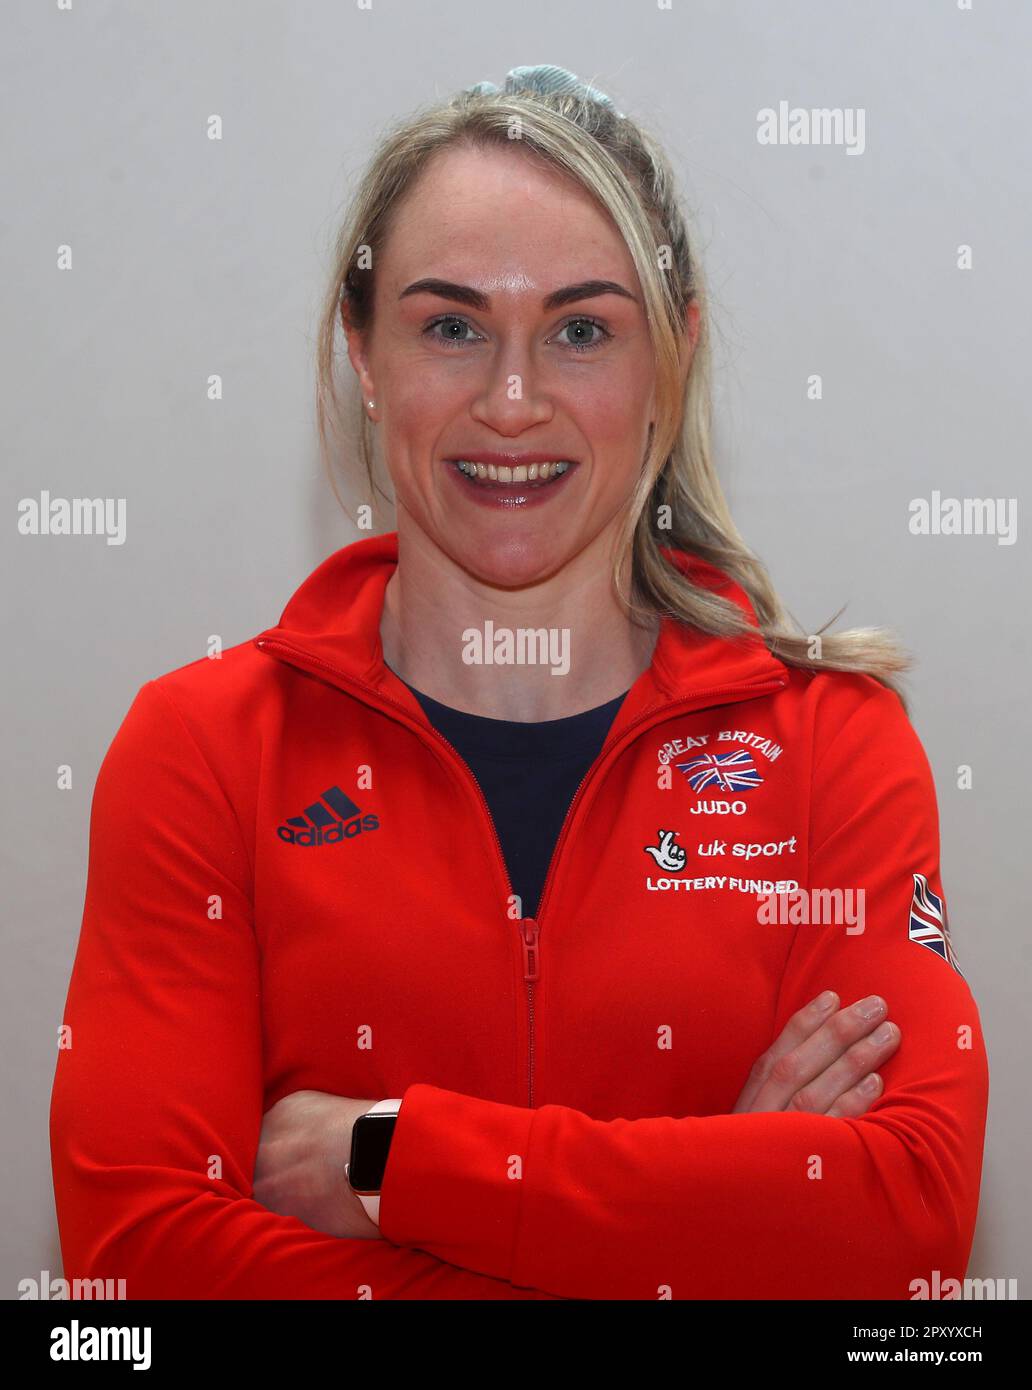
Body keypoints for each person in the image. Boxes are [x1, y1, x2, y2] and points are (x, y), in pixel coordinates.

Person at [50, 65, 988, 1300]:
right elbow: (140, 1271)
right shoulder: (204, 750)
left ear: (671, 356)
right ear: (362, 352)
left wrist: (391, 1161)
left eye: (582, 330)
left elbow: (904, 1225)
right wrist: (713, 1215)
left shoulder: (835, 749)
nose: (511, 400)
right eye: (449, 326)